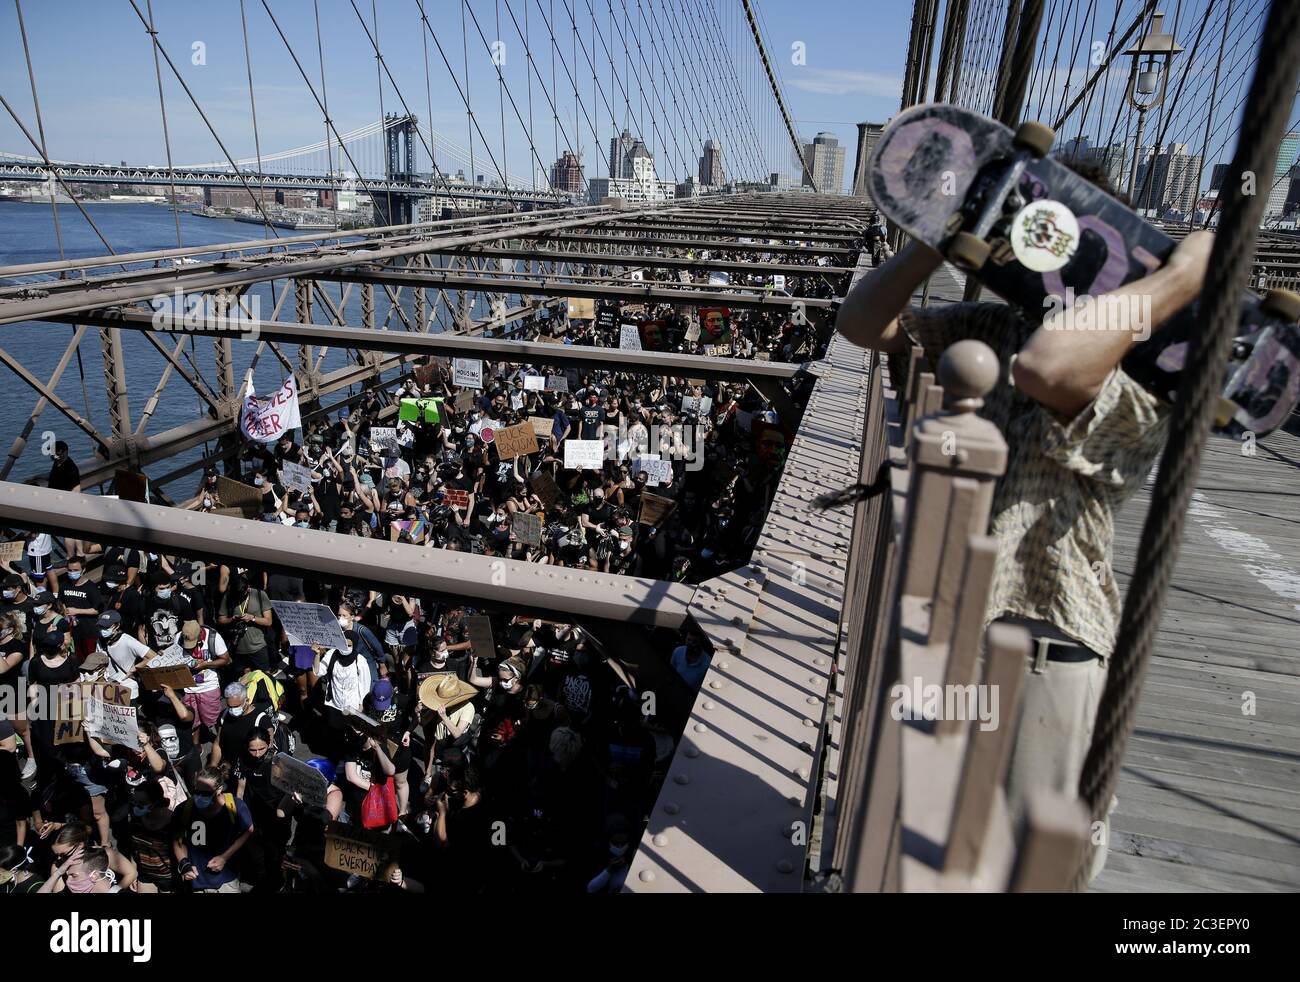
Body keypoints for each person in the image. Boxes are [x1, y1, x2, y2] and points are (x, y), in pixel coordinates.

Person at [836, 204, 1215, 881]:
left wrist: (1182, 280)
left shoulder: (1148, 377)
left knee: (1020, 870)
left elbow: (1052, 369)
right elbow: (863, 324)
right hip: (951, 629)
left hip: (1046, 646)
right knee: (918, 853)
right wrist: (936, 242)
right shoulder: (1003, 327)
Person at [172, 766, 253, 893]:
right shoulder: (184, 809)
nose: (199, 797)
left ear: (219, 789)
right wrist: (184, 864)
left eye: (206, 793)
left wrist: (225, 857)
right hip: (197, 880)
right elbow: (177, 840)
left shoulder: (235, 806)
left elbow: (248, 829)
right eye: (196, 791)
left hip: (226, 880)